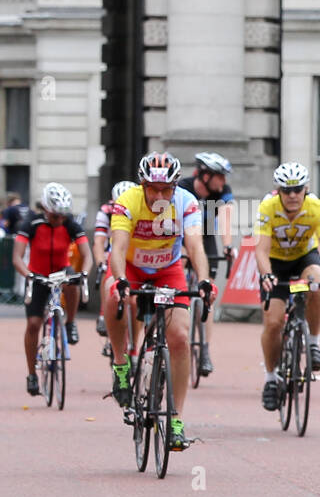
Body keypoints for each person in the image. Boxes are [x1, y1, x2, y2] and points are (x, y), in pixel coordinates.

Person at [106, 152, 210, 449]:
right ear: (143, 185)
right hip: (132, 269)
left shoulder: (186, 203)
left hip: (168, 271)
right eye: (154, 188)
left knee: (179, 337)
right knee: (112, 294)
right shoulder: (127, 202)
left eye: (167, 189)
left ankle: (175, 419)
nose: (160, 195)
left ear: (176, 187)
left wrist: (203, 280)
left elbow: (195, 245)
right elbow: (118, 247)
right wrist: (120, 279)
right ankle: (120, 364)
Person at [254, 162, 320, 409]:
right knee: (273, 323)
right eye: (286, 190)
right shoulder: (268, 207)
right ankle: (271, 379)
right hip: (275, 263)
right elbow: (261, 250)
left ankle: (313, 343)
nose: (293, 195)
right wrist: (266, 275)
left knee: (316, 282)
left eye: (298, 190)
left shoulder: (317, 207)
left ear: (306, 189)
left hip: (304, 258)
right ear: (279, 191)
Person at [12, 183, 92, 395]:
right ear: (46, 209)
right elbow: (17, 257)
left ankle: (70, 323)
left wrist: (83, 272)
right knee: (33, 324)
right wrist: (28, 275)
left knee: (71, 283)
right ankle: (31, 374)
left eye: (62, 216)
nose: (59, 220)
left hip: (60, 269)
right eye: (55, 216)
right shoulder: (31, 223)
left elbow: (87, 254)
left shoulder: (70, 224)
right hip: (37, 274)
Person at [177, 152, 236, 377]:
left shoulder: (222, 192)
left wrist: (228, 245)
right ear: (205, 175)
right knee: (178, 282)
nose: (223, 182)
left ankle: (205, 350)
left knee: (208, 292)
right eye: (219, 176)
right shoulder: (183, 188)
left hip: (206, 238)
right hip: (181, 237)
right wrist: (180, 250)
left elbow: (225, 217)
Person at [93, 180, 135, 345]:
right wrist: (99, 262)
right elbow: (98, 241)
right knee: (107, 271)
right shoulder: (105, 211)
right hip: (112, 249)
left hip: (132, 250)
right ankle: (104, 313)